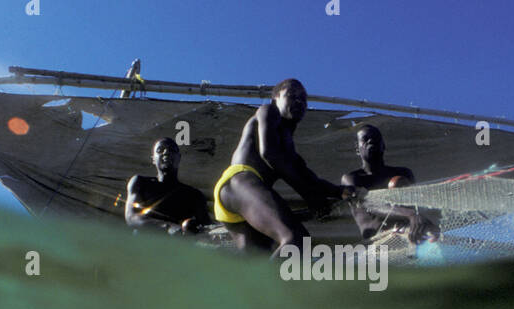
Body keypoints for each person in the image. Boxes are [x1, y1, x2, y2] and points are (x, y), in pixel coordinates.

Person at [213, 78, 358, 252]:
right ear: (275, 99)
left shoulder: (288, 149)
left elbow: (308, 177)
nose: (299, 101)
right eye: (292, 96)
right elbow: (269, 154)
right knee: (297, 241)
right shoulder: (268, 112)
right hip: (240, 181)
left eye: (303, 99)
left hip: (240, 198)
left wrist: (337, 191)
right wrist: (311, 197)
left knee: (257, 261)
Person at [341, 124, 439, 243]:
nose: (371, 140)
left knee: (437, 237)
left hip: (411, 235)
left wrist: (423, 221)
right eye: (365, 139)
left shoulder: (404, 173)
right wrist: (410, 214)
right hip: (378, 243)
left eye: (376, 138)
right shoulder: (351, 178)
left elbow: (416, 205)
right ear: (357, 148)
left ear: (383, 145)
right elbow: (368, 204)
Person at [124, 138, 210, 235]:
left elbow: (207, 227)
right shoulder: (140, 182)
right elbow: (131, 217)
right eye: (160, 150)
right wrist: (168, 227)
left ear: (179, 158)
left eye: (172, 150)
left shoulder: (194, 195)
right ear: (153, 159)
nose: (166, 152)